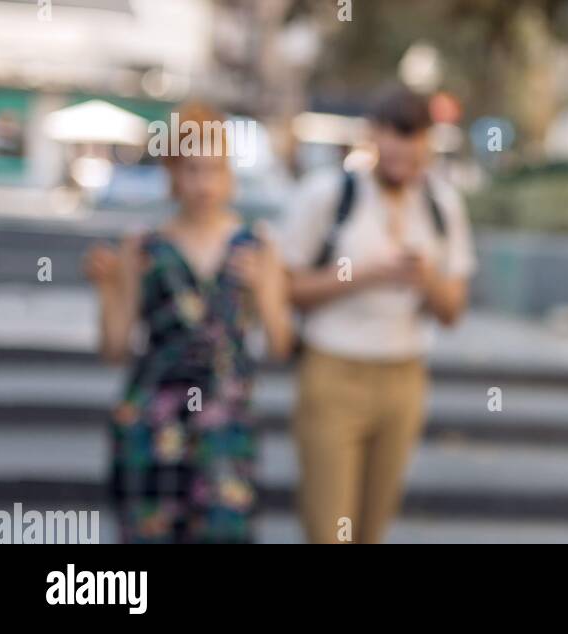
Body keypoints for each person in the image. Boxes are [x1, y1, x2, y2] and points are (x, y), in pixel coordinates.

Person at [82, 102, 293, 543]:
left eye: (214, 169)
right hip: (152, 420)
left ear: (230, 171)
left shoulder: (256, 245)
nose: (204, 183)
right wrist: (107, 290)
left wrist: (261, 291)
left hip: (225, 423)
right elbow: (114, 348)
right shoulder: (142, 246)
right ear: (172, 173)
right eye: (192, 169)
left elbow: (280, 345)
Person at [281, 83, 476, 544]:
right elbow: (288, 289)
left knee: (372, 531)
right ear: (372, 135)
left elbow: (452, 312)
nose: (402, 154)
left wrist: (426, 279)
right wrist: (363, 275)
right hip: (333, 371)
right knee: (329, 529)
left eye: (414, 141)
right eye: (393, 137)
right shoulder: (329, 194)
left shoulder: (443, 205)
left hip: (404, 376)